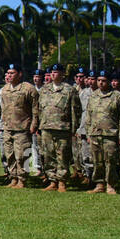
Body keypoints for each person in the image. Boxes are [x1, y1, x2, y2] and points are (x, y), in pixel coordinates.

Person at [36, 63, 81, 191]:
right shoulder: (45, 90)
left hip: (62, 128)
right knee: (48, 155)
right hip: (46, 127)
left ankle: (62, 181)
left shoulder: (69, 90)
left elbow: (75, 111)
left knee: (63, 155)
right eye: (52, 72)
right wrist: (39, 125)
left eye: (56, 72)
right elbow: (40, 109)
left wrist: (73, 129)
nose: (53, 74)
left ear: (62, 74)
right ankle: (52, 181)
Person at [0, 64, 39, 189]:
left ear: (20, 74)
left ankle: (23, 179)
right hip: (7, 128)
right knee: (9, 154)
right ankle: (13, 177)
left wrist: (34, 125)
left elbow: (35, 109)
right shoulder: (4, 89)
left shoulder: (28, 89)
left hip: (22, 127)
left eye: (12, 73)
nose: (9, 75)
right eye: (8, 73)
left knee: (23, 155)